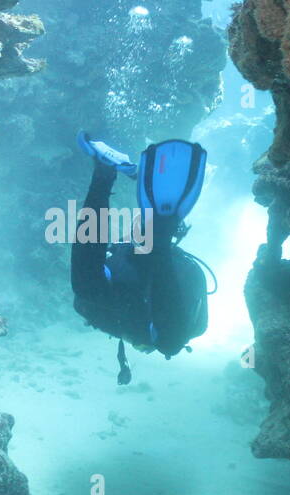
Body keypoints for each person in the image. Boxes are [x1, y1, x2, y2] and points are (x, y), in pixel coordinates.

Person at [71, 132, 214, 384]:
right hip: (138, 315)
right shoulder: (123, 253)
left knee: (170, 342)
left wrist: (156, 246)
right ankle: (104, 175)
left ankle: (104, 176)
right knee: (169, 342)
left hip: (143, 314)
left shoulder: (185, 269)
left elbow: (195, 325)